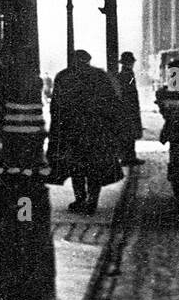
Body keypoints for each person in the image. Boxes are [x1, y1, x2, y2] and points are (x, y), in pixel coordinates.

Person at [47, 50, 124, 214]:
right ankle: (92, 200)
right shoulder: (100, 76)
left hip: (72, 130)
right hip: (96, 130)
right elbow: (113, 104)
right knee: (94, 168)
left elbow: (56, 107)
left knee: (77, 168)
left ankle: (80, 198)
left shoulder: (64, 76)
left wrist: (57, 130)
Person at [115, 51, 144, 167]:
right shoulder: (128, 75)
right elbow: (130, 92)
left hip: (125, 108)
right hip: (128, 108)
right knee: (129, 134)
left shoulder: (123, 74)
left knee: (127, 134)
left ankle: (127, 157)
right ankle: (128, 158)